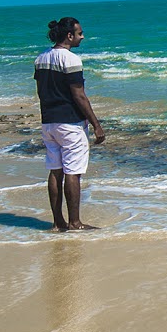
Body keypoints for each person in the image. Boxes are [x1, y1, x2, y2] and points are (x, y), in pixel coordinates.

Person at [34, 16, 106, 231]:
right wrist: (96, 124)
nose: (82, 37)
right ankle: (75, 222)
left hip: (48, 121)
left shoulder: (40, 58)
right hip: (70, 123)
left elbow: (41, 92)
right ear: (69, 35)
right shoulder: (71, 60)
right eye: (79, 33)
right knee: (73, 172)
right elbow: (79, 95)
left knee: (55, 171)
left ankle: (58, 223)